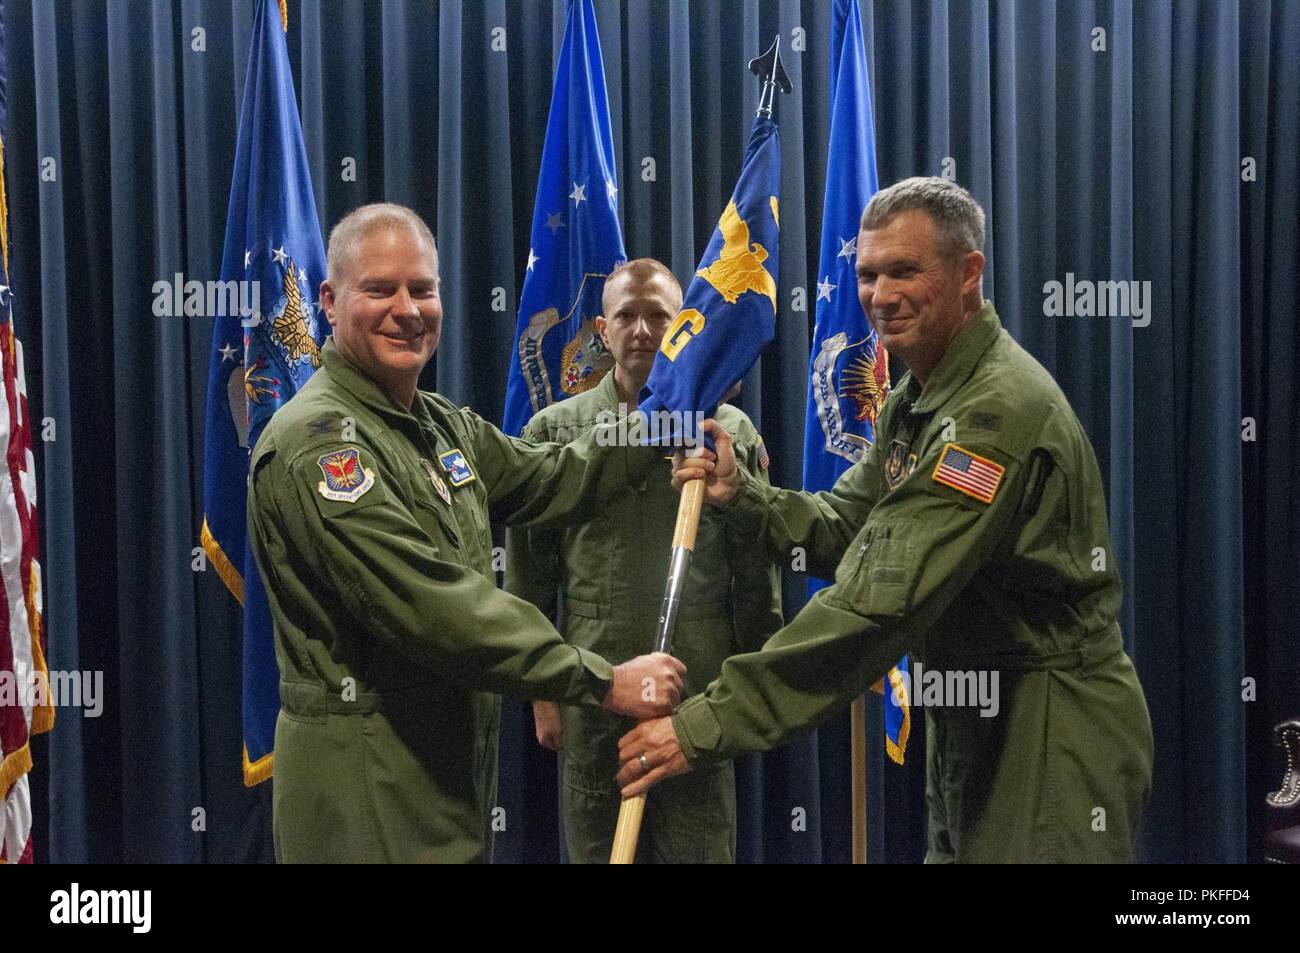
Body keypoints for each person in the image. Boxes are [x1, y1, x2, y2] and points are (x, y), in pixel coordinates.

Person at [616, 177, 1155, 863]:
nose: (879, 294)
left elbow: (876, 603)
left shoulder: (993, 415)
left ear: (969, 274)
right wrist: (743, 494)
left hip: (1051, 728)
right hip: (976, 721)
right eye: (867, 274)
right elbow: (846, 530)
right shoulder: (917, 397)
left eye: (904, 270)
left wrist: (702, 724)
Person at [246, 203, 686, 863]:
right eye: (379, 289)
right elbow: (436, 606)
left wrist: (666, 422)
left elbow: (549, 476)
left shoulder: (435, 424)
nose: (407, 308)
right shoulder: (320, 446)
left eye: (422, 289)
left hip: (438, 783)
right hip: (364, 798)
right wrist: (599, 679)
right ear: (329, 303)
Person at [505, 259, 783, 863]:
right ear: (602, 331)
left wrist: (759, 687)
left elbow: (757, 567)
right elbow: (528, 573)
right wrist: (543, 694)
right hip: (594, 694)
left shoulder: (724, 431)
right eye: (626, 316)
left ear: (683, 325)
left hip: (699, 700)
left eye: (658, 315)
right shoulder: (555, 431)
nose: (642, 331)